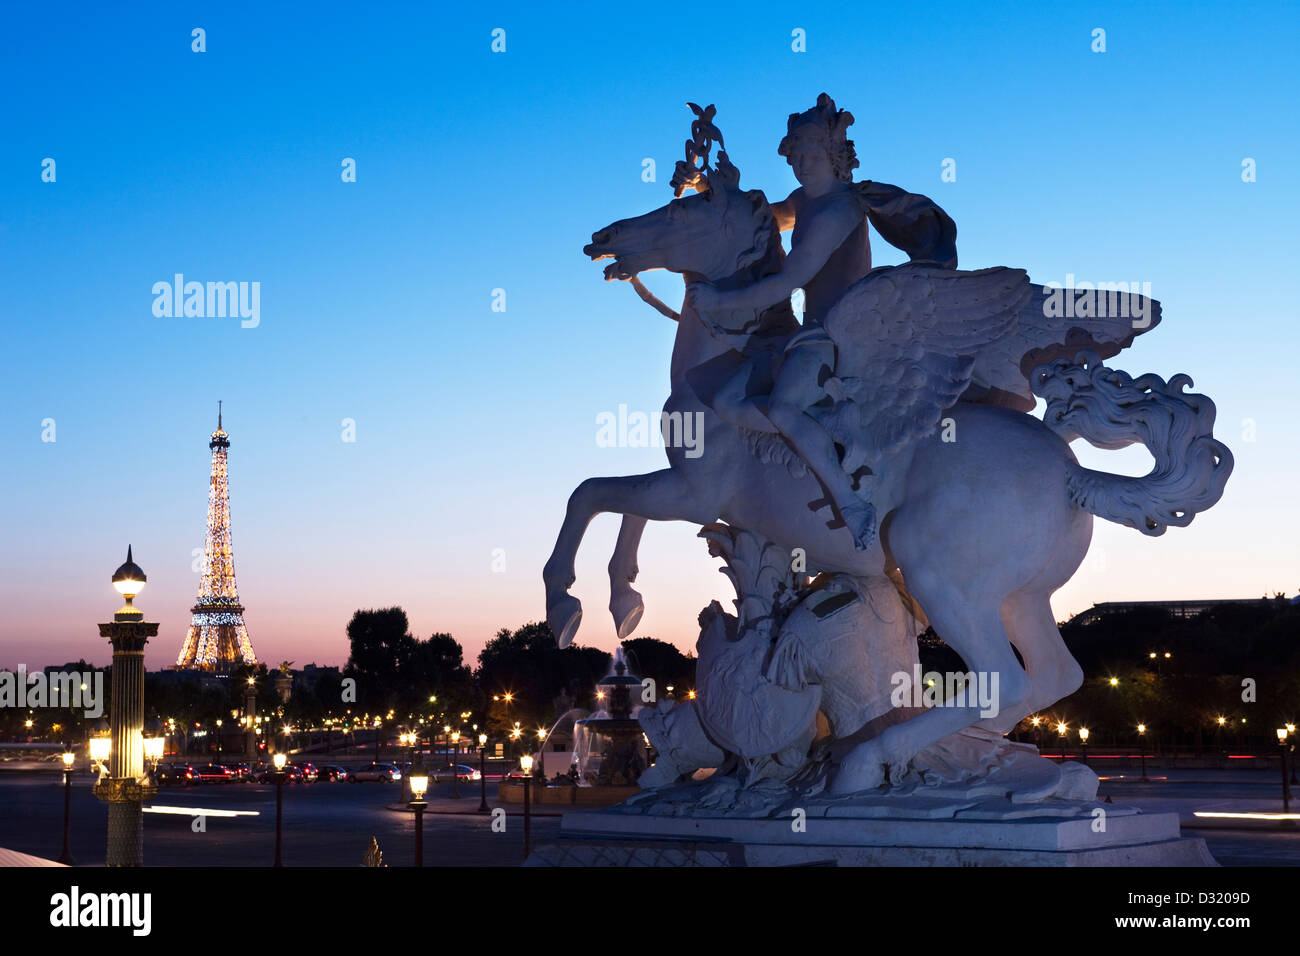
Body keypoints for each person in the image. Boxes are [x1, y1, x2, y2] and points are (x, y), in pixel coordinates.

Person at [693, 93, 956, 550]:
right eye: (796, 158)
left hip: (836, 335)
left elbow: (790, 278)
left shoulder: (840, 209)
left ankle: (849, 503)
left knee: (780, 409)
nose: (802, 166)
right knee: (727, 400)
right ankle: (829, 429)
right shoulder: (804, 200)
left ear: (835, 159)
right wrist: (710, 187)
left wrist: (720, 299)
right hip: (806, 336)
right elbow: (763, 221)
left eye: (812, 156)